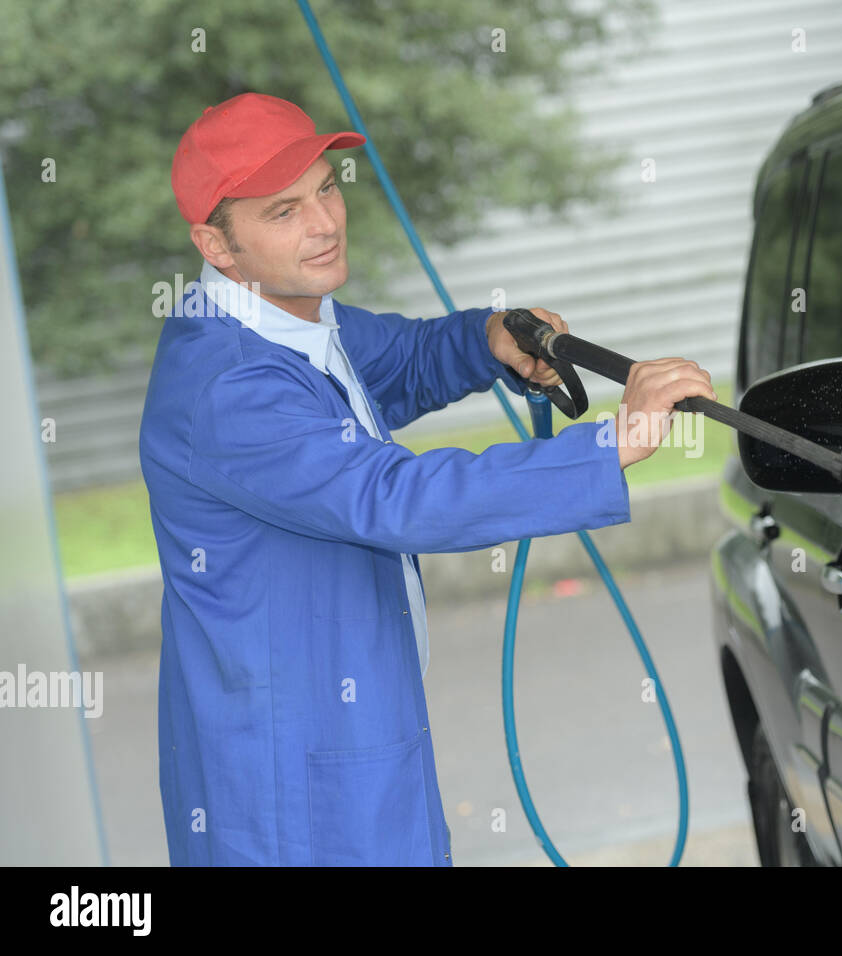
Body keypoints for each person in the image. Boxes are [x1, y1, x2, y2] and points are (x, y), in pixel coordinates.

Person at [139, 92, 714, 865]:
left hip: (354, 737)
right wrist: (614, 441)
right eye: (283, 212)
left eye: (327, 189)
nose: (325, 223)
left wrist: (490, 339)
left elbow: (401, 358)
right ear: (215, 243)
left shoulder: (291, 313)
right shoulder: (229, 386)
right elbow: (393, 498)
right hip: (285, 783)